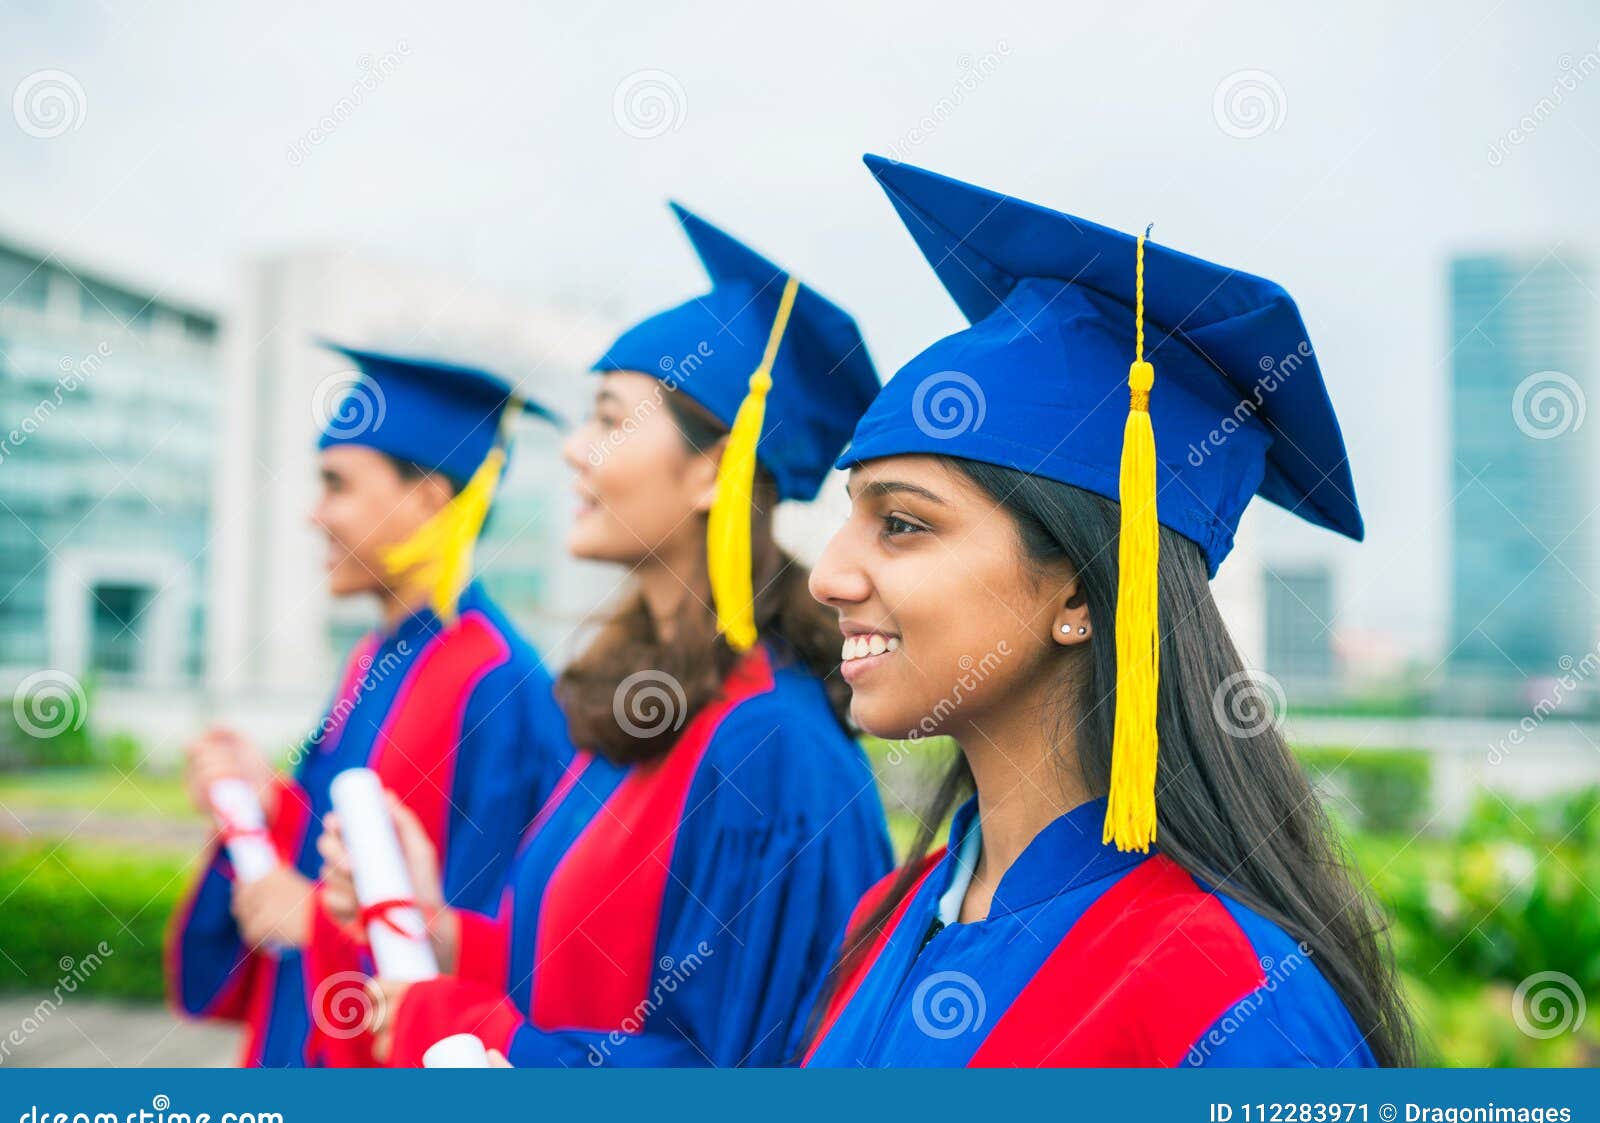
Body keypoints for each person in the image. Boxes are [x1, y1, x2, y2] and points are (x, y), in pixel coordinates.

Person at [799, 157, 1415, 1067]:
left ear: (1083, 590)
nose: (827, 577)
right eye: (848, 516)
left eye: (901, 524)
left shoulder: (1231, 1003)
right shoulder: (889, 919)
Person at [319, 203, 894, 1068]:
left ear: (713, 468)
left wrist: (475, 1033)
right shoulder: (647, 700)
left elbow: (734, 1083)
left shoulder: (769, 752)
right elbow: (576, 977)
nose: (572, 449)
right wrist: (438, 934)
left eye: (609, 416)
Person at [166, 345, 573, 1067]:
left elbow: (490, 939)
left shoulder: (497, 685)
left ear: (428, 499)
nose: (314, 514)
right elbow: (325, 837)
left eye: (338, 485)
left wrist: (315, 917)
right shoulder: (373, 657)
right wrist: (265, 799)